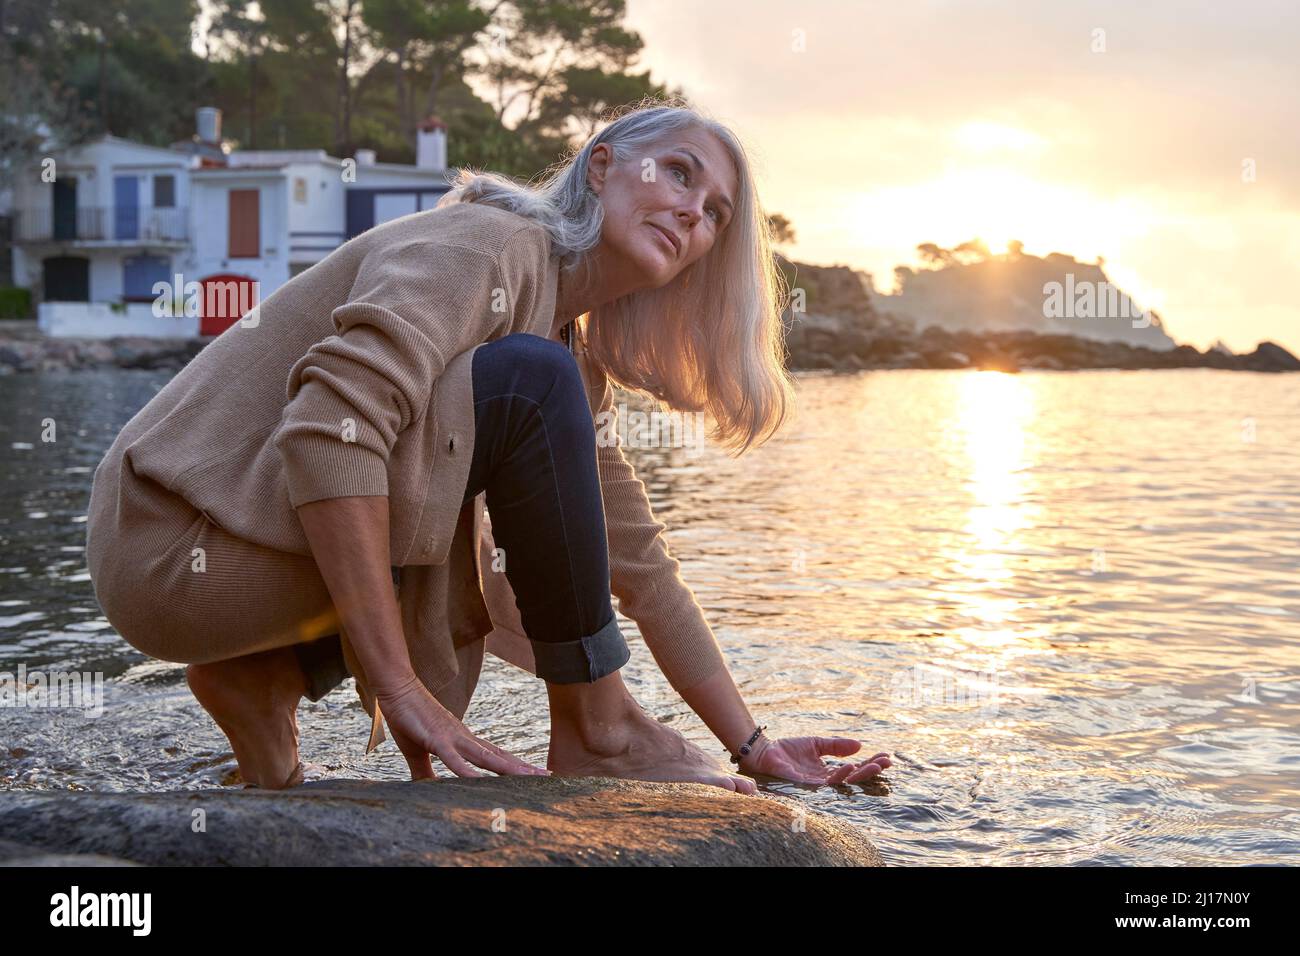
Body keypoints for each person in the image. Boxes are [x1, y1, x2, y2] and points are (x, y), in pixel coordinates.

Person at [85, 97, 892, 793]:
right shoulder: (488, 247)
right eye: (680, 174)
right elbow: (328, 429)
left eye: (716, 211)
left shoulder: (566, 358)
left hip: (227, 574)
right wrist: (400, 687)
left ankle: (264, 677)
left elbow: (640, 565)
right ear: (603, 167)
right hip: (173, 543)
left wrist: (751, 747)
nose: (695, 212)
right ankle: (600, 732)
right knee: (524, 388)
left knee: (533, 398)